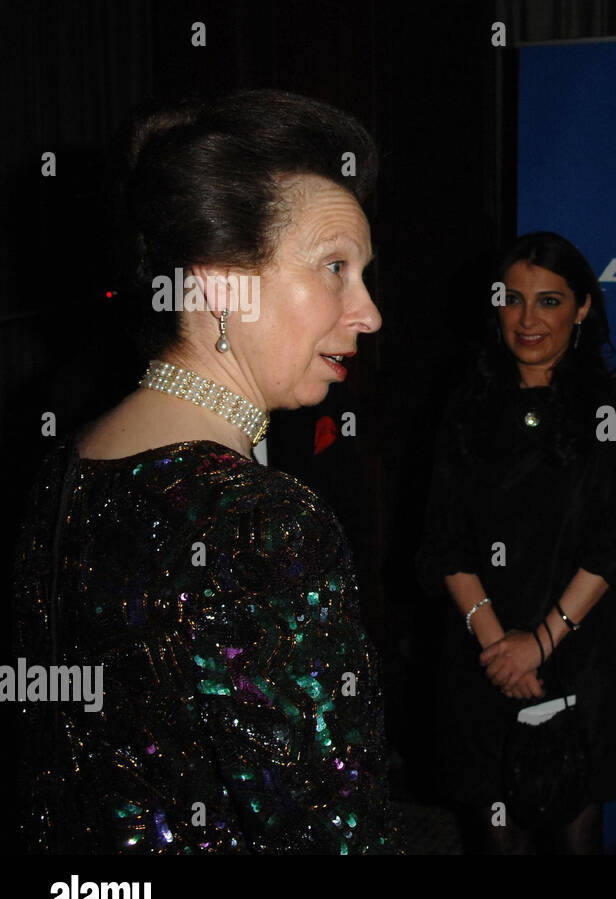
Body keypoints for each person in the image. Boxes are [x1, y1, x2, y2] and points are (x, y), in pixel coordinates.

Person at [10, 90, 396, 853]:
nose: (369, 312)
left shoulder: (66, 464)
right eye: (334, 268)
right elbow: (335, 834)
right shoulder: (258, 521)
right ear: (223, 283)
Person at [416, 232, 616, 855]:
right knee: (496, 844)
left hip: (581, 650)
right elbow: (443, 544)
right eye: (512, 300)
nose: (528, 319)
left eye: (548, 301)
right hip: (482, 656)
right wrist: (501, 650)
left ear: (583, 309)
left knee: (579, 840)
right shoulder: (464, 405)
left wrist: (540, 644)